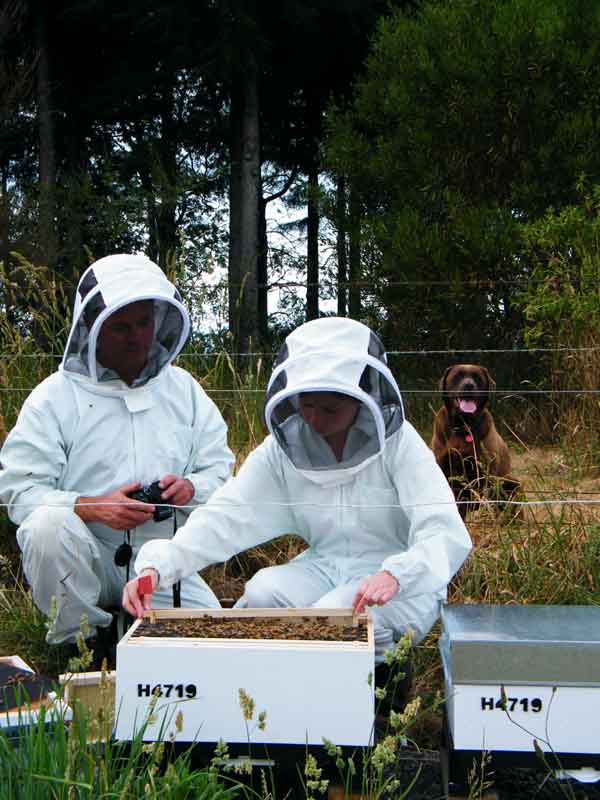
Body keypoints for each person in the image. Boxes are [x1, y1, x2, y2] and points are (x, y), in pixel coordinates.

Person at [123, 317, 472, 672]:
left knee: (340, 614)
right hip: (324, 565)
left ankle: (385, 687)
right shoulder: (281, 451)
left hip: (402, 582)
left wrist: (397, 574)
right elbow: (226, 516)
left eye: (330, 410)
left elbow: (445, 532)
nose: (315, 421)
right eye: (307, 406)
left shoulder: (399, 444)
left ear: (361, 399)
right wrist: (159, 567)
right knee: (262, 593)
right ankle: (272, 696)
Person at [0, 253, 234, 648]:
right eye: (121, 327)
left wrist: (191, 488)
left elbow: (220, 470)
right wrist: (92, 506)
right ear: (91, 326)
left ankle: (134, 623)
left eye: (144, 323)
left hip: (159, 562)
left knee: (212, 643)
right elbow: (20, 492)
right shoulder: (54, 398)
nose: (137, 337)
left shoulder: (185, 391)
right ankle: (82, 643)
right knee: (46, 527)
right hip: (84, 554)